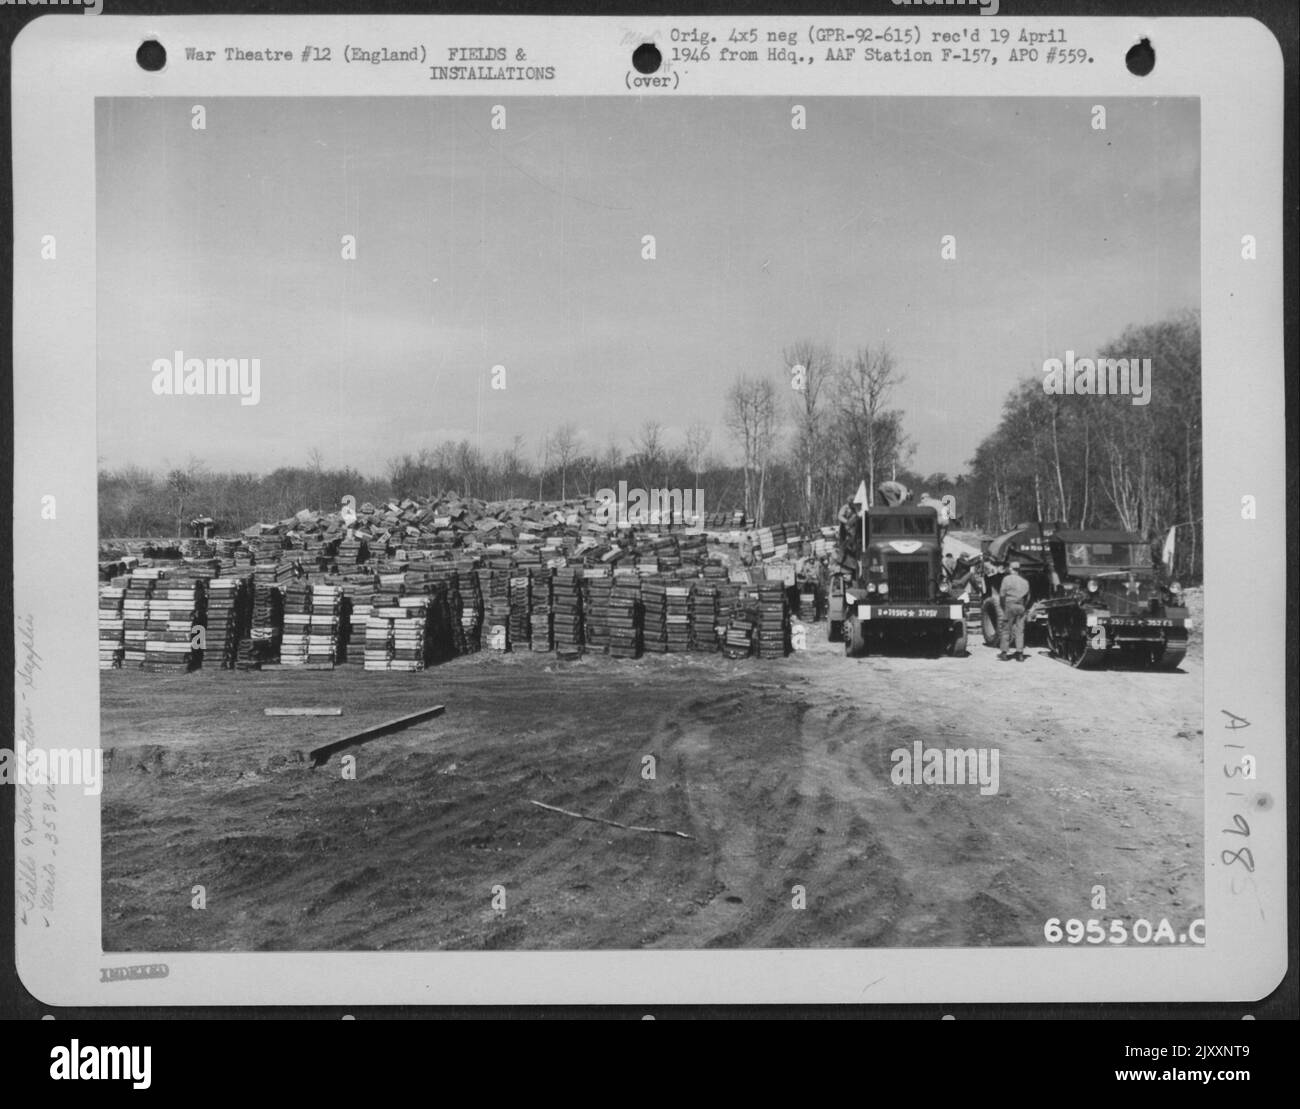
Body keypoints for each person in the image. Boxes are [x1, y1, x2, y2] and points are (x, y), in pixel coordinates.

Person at [998, 560, 1031, 661]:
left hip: (1009, 605)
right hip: (1021, 606)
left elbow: (1002, 594)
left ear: (1010, 569)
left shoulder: (1006, 579)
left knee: (1006, 629)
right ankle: (1020, 654)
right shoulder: (1025, 581)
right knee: (1020, 631)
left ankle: (1004, 653)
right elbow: (1028, 597)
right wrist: (1023, 606)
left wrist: (1003, 606)